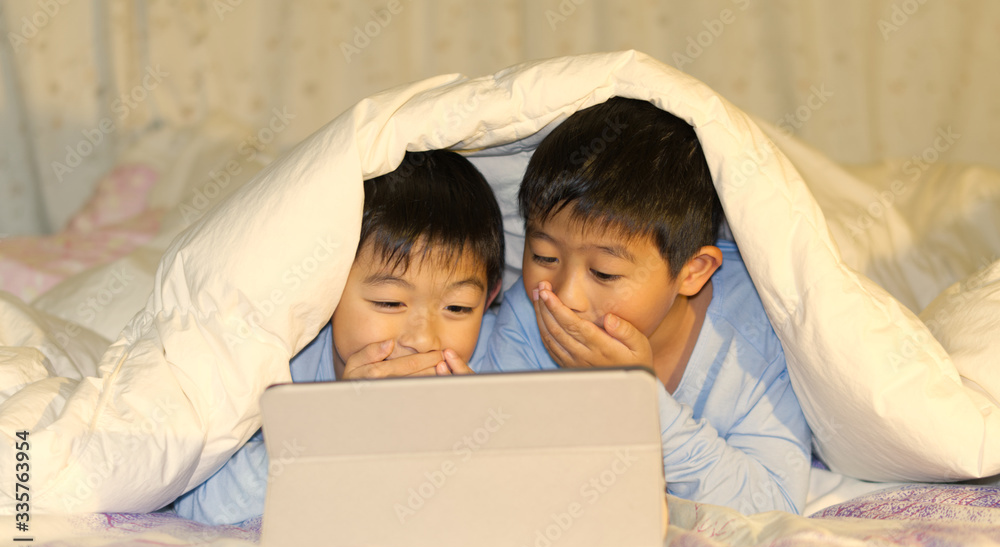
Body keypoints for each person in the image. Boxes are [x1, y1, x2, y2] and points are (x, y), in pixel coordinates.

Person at [480, 97, 812, 515]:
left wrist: (640, 399)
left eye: (603, 273)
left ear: (693, 272)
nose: (564, 296)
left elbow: (775, 505)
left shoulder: (756, 336)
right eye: (544, 256)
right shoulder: (531, 313)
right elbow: (504, 473)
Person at [174, 150, 505, 524]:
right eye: (390, 302)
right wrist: (335, 428)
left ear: (490, 298)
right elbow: (202, 504)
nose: (424, 340)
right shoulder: (285, 362)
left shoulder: (499, 361)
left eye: (458, 308)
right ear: (325, 291)